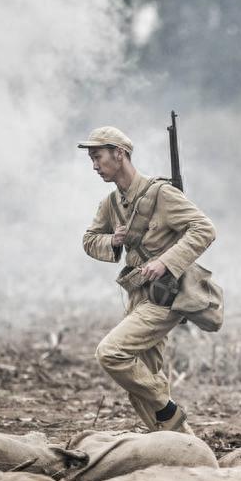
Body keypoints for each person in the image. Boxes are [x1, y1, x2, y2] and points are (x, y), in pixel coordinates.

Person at [79, 126, 216, 432]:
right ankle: (181, 444)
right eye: (92, 159)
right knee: (142, 379)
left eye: (98, 157)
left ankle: (168, 410)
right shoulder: (111, 203)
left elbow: (204, 229)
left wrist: (166, 261)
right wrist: (113, 240)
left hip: (165, 295)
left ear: (119, 154)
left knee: (111, 353)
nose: (94, 166)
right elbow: (89, 240)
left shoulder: (161, 194)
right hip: (137, 296)